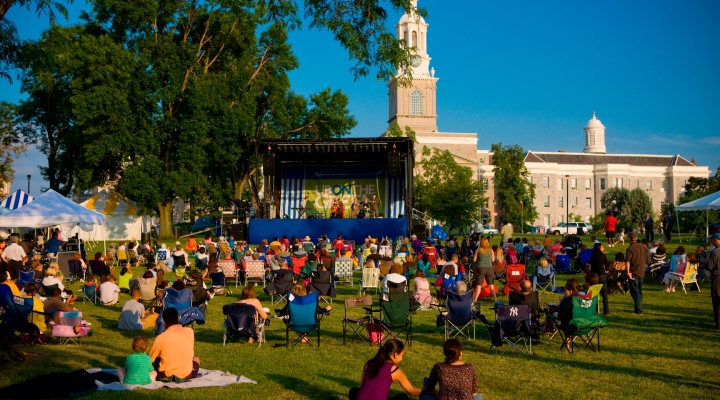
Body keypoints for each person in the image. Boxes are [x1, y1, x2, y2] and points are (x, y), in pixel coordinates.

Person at [349, 339, 422, 400]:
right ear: (396, 355)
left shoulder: (368, 363)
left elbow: (362, 385)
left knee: (353, 391)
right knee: (403, 397)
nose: (402, 359)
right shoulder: (394, 370)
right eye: (402, 355)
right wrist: (425, 389)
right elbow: (412, 392)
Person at [149, 307, 201, 380]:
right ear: (178, 319)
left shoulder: (161, 338)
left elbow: (151, 359)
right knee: (196, 359)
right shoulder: (190, 332)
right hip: (186, 374)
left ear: (164, 322)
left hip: (166, 374)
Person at [626, 232, 649, 314]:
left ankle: (638, 310)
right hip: (641, 271)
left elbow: (628, 262)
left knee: (634, 291)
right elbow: (647, 261)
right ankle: (638, 308)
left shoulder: (630, 248)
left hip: (633, 271)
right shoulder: (643, 247)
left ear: (629, 239)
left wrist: (628, 272)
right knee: (639, 290)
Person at [472, 237, 497, 303]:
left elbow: (474, 260)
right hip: (489, 268)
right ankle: (495, 299)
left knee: (479, 285)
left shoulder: (478, 250)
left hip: (481, 268)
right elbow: (493, 260)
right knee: (491, 285)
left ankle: (475, 300)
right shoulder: (491, 250)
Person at [588, 242, 610, 315]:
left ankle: (595, 309)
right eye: (602, 247)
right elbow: (607, 267)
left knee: (594, 294)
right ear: (599, 248)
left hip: (594, 276)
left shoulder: (592, 256)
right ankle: (606, 311)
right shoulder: (603, 256)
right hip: (602, 275)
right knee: (604, 294)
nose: (603, 248)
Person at [708, 233, 720, 330]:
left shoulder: (715, 252)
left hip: (717, 277)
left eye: (712, 240)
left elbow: (710, 266)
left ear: (716, 240)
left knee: (716, 299)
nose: (711, 242)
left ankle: (718, 323)